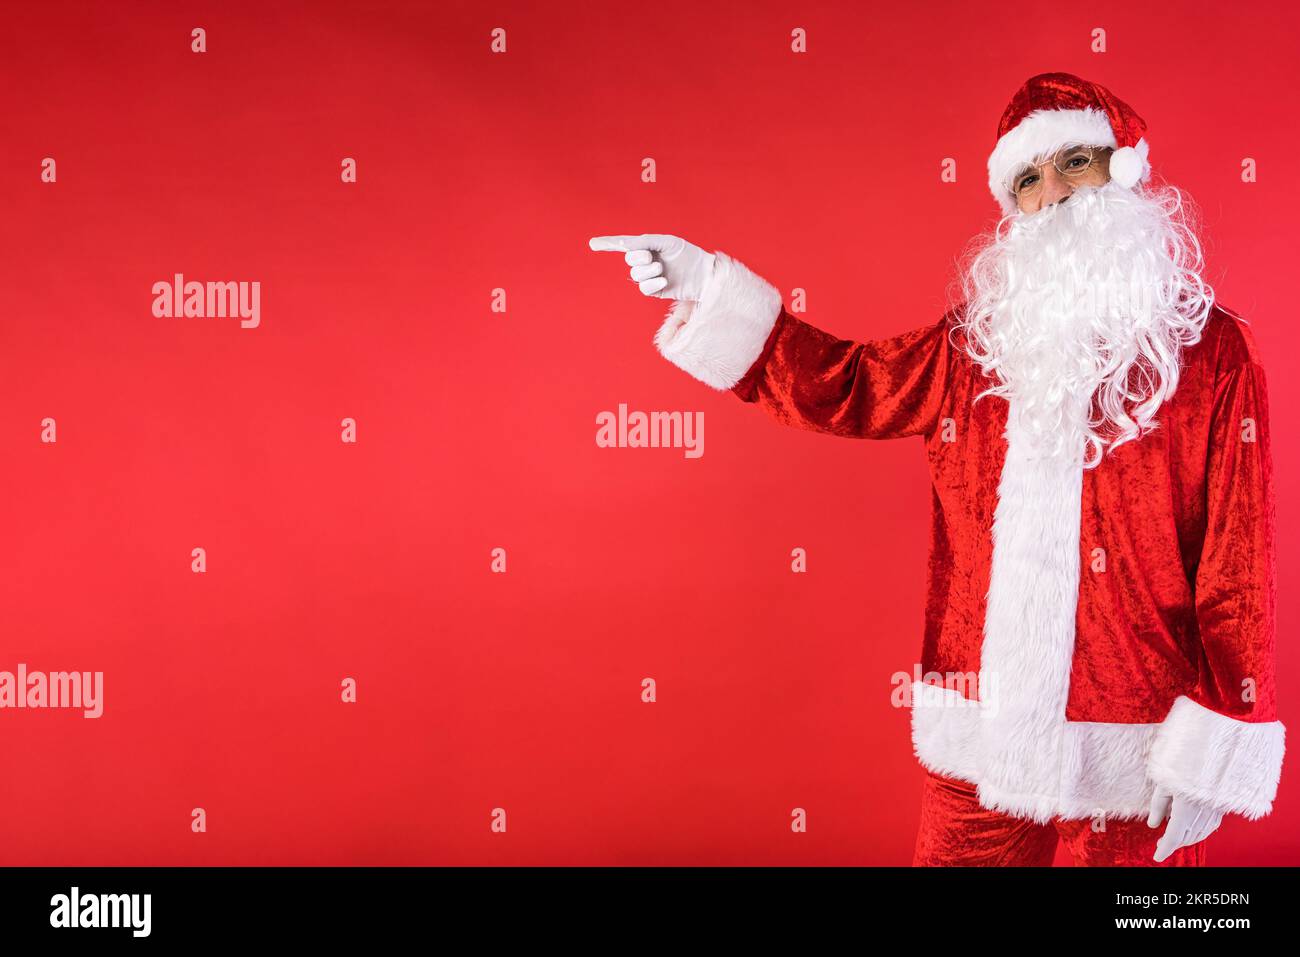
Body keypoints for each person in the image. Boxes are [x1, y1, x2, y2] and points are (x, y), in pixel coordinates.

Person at [589, 72, 1285, 866]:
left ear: (1124, 169)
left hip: (1133, 743)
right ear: (1011, 207)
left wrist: (1211, 753)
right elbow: (847, 385)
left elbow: (1238, 567)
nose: (1052, 192)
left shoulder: (1213, 351)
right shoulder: (975, 343)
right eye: (1028, 178)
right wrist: (704, 289)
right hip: (978, 729)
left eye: (1075, 161)